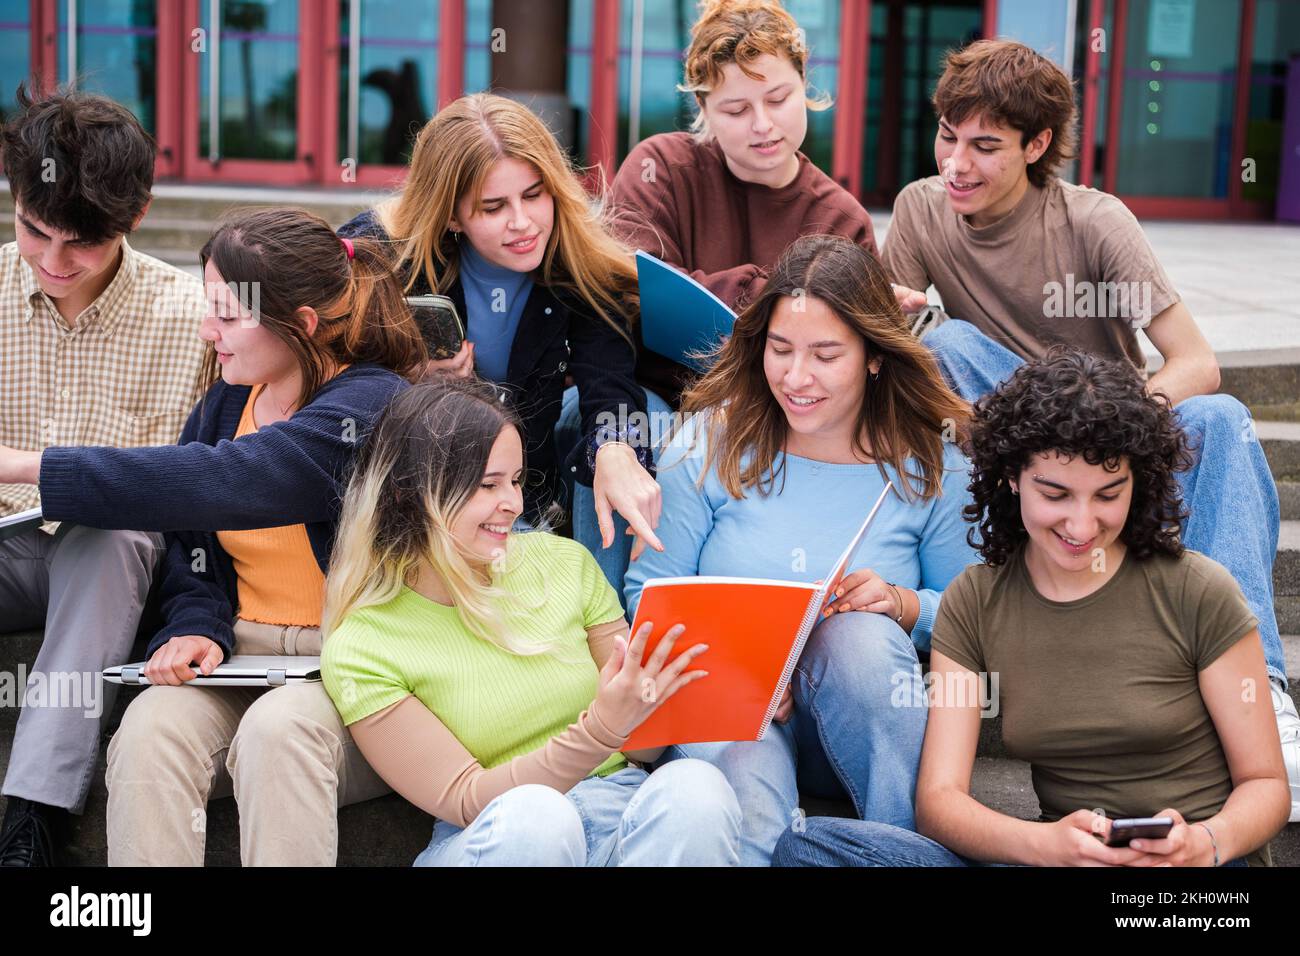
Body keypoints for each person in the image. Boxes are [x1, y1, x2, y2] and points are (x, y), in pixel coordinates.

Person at [882, 38, 1297, 819]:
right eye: (947, 135)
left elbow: (1197, 363)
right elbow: (889, 354)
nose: (956, 164)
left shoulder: (1095, 219)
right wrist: (884, 326)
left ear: (1038, 146)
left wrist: (1111, 420)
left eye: (985, 146)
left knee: (1226, 419)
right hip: (1013, 450)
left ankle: (1262, 688)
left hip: (1116, 448)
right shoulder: (919, 210)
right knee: (941, 346)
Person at [0, 208, 425, 865]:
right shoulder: (228, 404)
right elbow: (191, 544)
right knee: (146, 734)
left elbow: (234, 479)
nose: (207, 331)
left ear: (301, 326)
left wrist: (33, 465)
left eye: (227, 315)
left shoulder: (373, 404)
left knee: (277, 736)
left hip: (356, 671)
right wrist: (197, 623)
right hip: (246, 657)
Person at [775, 349, 1292, 867]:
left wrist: (1204, 843)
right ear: (1013, 477)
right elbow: (940, 802)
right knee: (811, 847)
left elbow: (1267, 785)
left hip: (1194, 878)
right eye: (1057, 494)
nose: (1083, 525)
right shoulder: (974, 602)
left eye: (1108, 495)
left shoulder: (1198, 590)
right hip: (1056, 856)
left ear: (1138, 482)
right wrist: (1046, 845)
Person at [623, 235, 975, 866]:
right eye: (780, 350)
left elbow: (975, 615)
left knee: (858, 637)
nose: (796, 377)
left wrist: (903, 605)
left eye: (825, 355)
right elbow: (650, 593)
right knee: (745, 752)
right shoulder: (707, 443)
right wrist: (734, 675)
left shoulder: (932, 466)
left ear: (873, 355)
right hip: (731, 710)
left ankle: (903, 850)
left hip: (863, 715)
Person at [320, 379, 742, 866]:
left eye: (516, 481)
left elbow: (644, 753)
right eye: (488, 484)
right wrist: (599, 729)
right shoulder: (364, 645)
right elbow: (466, 797)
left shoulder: (565, 563)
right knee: (539, 817)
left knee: (696, 788)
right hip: (497, 836)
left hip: (619, 814)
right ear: (409, 495)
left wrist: (674, 690)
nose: (515, 504)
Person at [337, 93, 666, 603]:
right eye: (493, 207)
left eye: (535, 195)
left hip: (525, 496)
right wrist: (406, 376)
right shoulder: (382, 255)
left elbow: (609, 380)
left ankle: (611, 621)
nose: (523, 222)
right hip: (414, 496)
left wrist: (618, 447)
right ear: (450, 216)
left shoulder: (580, 265)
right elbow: (323, 372)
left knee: (633, 428)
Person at [0, 84, 208, 866]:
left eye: (80, 244)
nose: (54, 262)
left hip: (116, 564)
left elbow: (176, 490)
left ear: (138, 214)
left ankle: (32, 823)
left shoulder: (191, 318)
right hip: (7, 551)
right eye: (33, 230)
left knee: (114, 533)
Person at [612, 0, 921, 407]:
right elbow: (625, 293)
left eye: (777, 99)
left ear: (803, 84)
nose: (762, 125)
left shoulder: (842, 220)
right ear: (704, 109)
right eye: (737, 110)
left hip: (777, 414)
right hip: (655, 399)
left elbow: (849, 358)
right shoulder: (661, 169)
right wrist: (781, 296)